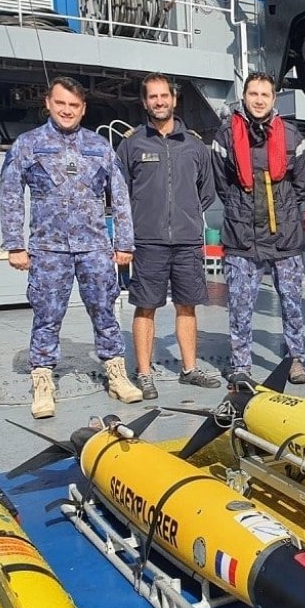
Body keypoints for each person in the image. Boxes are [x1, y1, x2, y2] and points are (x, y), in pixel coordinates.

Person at [0, 76, 143, 419]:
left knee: (105, 311)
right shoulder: (28, 144)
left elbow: (120, 197)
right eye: (61, 103)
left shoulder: (99, 146)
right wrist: (15, 245)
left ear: (83, 109)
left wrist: (124, 244)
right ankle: (43, 381)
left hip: (94, 246)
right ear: (48, 103)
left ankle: (116, 374)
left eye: (74, 105)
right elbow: (10, 194)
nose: (67, 110)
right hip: (49, 249)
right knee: (47, 315)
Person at [117, 73, 221, 400]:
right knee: (145, 307)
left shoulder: (193, 145)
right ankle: (144, 373)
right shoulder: (132, 144)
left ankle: (189, 369)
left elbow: (206, 191)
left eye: (164, 96)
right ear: (145, 102)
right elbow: (119, 193)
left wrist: (186, 216)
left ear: (174, 100)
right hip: (148, 242)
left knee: (187, 306)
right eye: (153, 97)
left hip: (188, 241)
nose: (159, 102)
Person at [211, 72, 305, 384]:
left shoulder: (293, 138)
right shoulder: (225, 136)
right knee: (240, 307)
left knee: (293, 303)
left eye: (264, 95)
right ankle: (241, 365)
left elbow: (300, 186)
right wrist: (242, 211)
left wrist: (281, 212)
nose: (258, 100)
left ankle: (295, 359)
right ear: (244, 97)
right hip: (242, 237)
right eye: (253, 94)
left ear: (273, 99)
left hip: (284, 237)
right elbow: (222, 184)